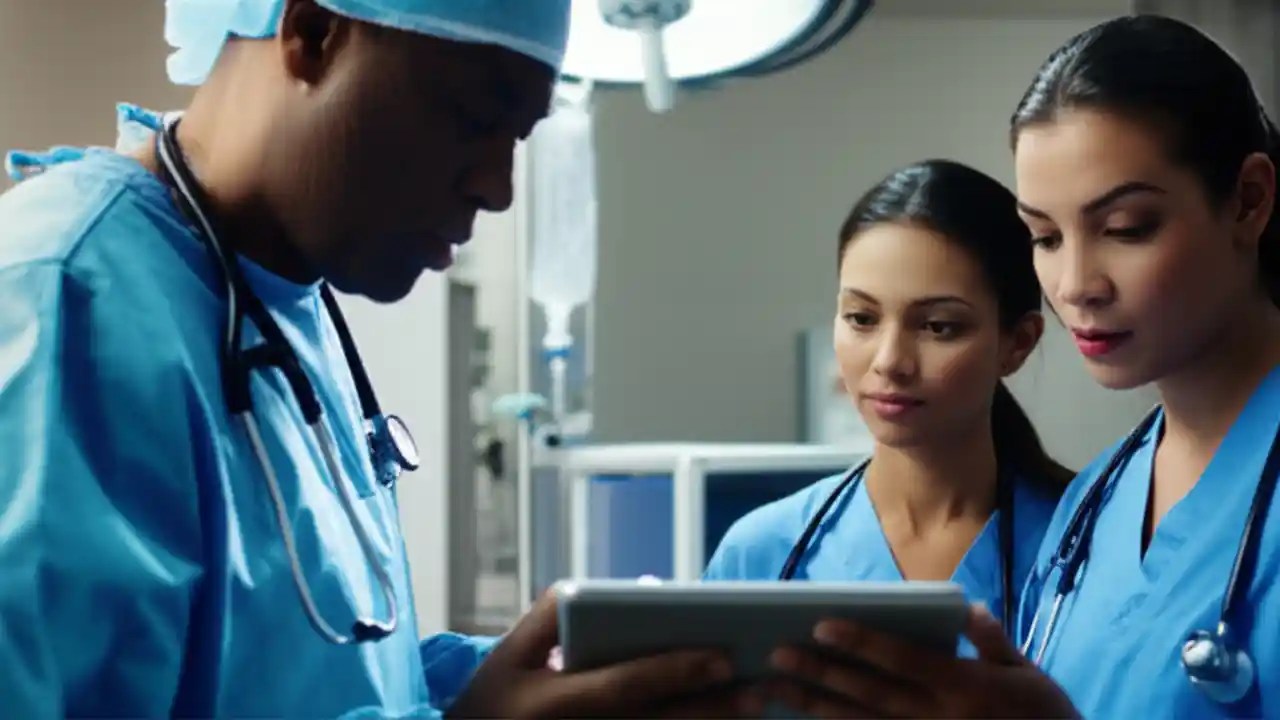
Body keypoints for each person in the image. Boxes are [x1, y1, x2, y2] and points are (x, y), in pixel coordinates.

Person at [0, 1, 757, 718]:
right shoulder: (63, 303)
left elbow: (316, 671)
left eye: (517, 139)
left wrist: (536, 681)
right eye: (470, 117)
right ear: (314, 33)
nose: (497, 188)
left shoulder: (284, 302)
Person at [762, 15, 1280, 719]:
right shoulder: (1091, 510)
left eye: (1125, 228)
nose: (1074, 284)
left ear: (1248, 201)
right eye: (1044, 236)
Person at [704, 159, 1070, 649]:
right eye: (860, 318)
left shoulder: (1079, 549)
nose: (890, 361)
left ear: (1017, 343)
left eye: (938, 326)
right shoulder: (763, 554)